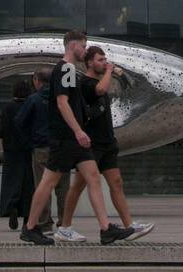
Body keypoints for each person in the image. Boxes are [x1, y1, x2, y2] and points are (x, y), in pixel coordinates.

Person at [20, 30, 135, 246]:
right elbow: (62, 103)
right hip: (65, 137)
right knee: (48, 182)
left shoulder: (70, 70)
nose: (85, 50)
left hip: (74, 137)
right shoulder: (64, 68)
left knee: (93, 177)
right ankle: (30, 228)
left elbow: (72, 102)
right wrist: (78, 130)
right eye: (83, 46)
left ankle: (105, 229)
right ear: (73, 46)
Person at [55, 45, 154, 243]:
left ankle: (129, 226)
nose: (104, 62)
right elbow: (100, 89)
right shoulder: (86, 83)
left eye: (105, 59)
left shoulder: (99, 81)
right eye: (100, 59)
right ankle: (64, 227)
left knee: (116, 183)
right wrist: (110, 71)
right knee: (78, 187)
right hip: (92, 144)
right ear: (90, 62)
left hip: (107, 142)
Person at [16, 67, 69, 234]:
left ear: (37, 80)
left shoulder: (33, 99)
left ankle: (45, 224)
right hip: (62, 147)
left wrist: (30, 139)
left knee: (42, 186)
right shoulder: (63, 99)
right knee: (63, 188)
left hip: (41, 148)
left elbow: (19, 122)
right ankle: (64, 224)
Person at [0, 79, 35, 231]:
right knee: (28, 184)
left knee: (11, 182)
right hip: (28, 151)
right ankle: (27, 217)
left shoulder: (7, 108)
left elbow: (0, 132)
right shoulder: (30, 106)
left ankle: (11, 208)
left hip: (11, 152)